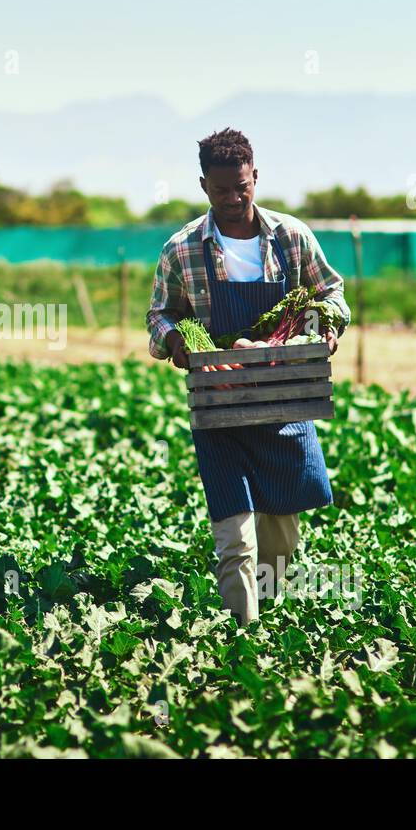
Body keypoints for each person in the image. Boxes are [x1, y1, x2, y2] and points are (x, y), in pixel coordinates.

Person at [146, 127, 350, 625]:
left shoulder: (292, 237)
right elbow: (160, 314)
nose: (234, 198)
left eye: (242, 186)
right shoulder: (183, 249)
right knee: (234, 535)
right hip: (220, 405)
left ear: (255, 176)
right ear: (203, 186)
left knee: (281, 536)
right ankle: (244, 631)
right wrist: (176, 341)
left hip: (284, 401)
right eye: (222, 190)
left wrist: (324, 328)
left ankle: (273, 624)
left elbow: (333, 294)